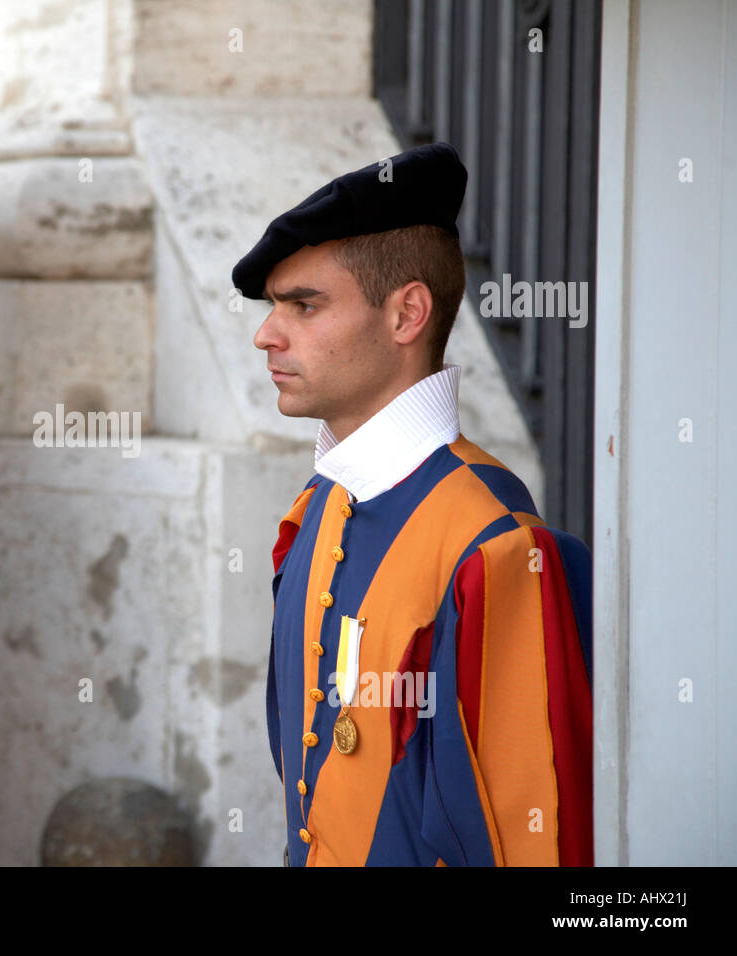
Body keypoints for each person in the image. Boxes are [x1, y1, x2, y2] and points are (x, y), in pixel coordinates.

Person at [236, 143, 592, 867]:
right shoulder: (315, 509)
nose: (266, 334)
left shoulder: (496, 545)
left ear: (407, 314)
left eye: (304, 305)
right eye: (275, 306)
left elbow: (529, 844)